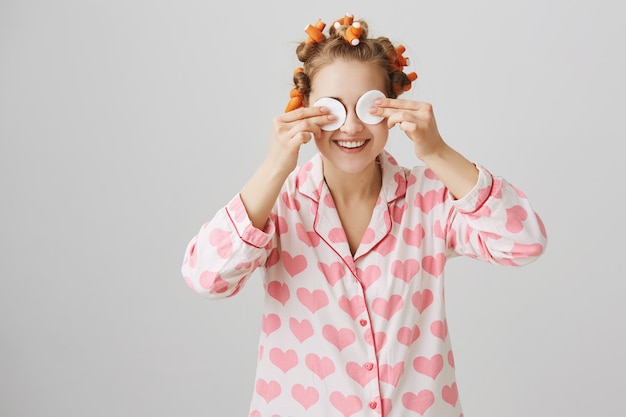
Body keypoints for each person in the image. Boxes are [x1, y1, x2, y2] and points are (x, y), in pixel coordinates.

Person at [181, 13, 547, 417]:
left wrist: (436, 151)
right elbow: (206, 278)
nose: (352, 126)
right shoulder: (279, 205)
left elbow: (524, 241)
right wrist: (273, 167)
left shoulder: (429, 199)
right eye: (333, 109)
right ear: (304, 108)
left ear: (391, 105)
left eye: (368, 107)